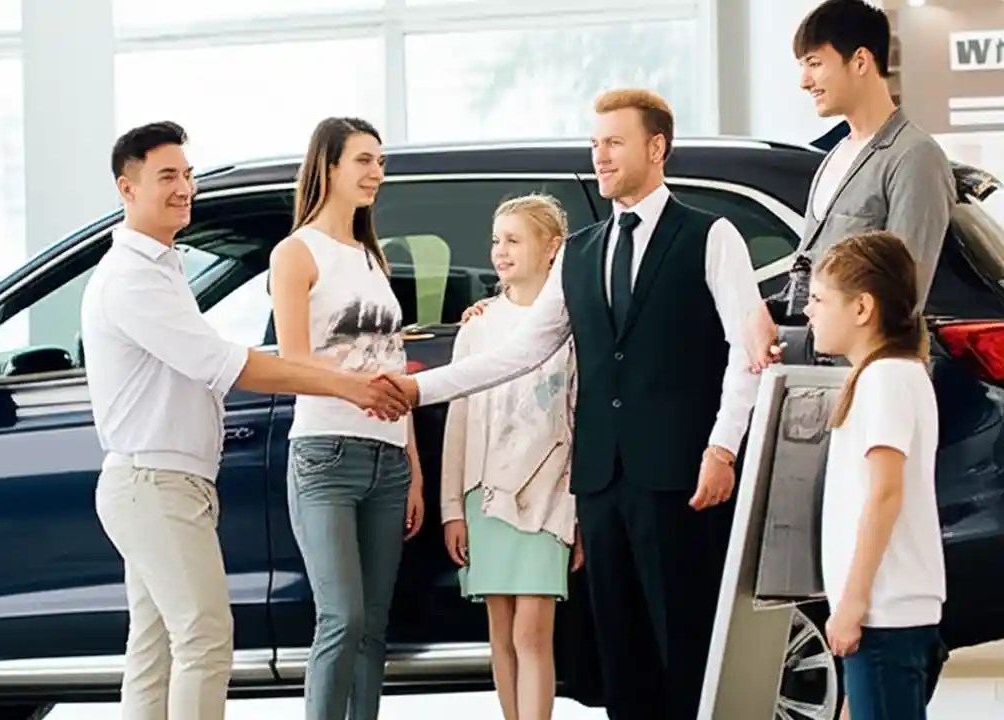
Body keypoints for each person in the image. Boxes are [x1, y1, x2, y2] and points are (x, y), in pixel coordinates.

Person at [383, 89, 766, 719]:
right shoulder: (581, 251)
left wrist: (722, 446)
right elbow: (524, 350)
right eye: (596, 143)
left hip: (680, 477)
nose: (601, 155)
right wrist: (419, 389)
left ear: (656, 147)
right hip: (601, 482)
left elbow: (745, 348)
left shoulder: (710, 235)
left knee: (688, 643)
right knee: (619, 654)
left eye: (614, 142)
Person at [80, 121, 410, 720]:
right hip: (154, 483)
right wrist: (347, 384)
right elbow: (224, 363)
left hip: (166, 482)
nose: (185, 187)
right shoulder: (131, 277)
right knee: (205, 639)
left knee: (153, 651)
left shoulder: (162, 268)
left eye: (187, 174)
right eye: (166, 177)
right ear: (127, 189)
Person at [267, 116, 424, 720]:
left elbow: (393, 359)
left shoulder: (369, 255)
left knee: (376, 625)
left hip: (386, 459)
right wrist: (359, 391)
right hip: (326, 453)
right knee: (343, 616)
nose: (376, 173)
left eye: (380, 162)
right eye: (363, 160)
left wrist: (409, 460)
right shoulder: (296, 252)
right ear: (328, 165)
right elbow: (294, 364)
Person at [745, 0, 956, 369]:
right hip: (814, 376)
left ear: (860, 61)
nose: (804, 81)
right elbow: (807, 273)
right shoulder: (834, 157)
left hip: (868, 378)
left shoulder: (914, 156)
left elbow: (902, 297)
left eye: (814, 64)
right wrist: (766, 311)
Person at [439, 193, 582, 720]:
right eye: (496, 240)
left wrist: (579, 509)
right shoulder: (478, 327)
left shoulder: (571, 324)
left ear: (552, 248)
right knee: (500, 629)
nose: (500, 251)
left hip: (549, 498)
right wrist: (452, 508)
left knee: (532, 631)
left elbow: (578, 414)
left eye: (514, 240)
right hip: (486, 496)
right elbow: (459, 420)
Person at [803, 230, 947, 720]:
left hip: (883, 615)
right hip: (889, 614)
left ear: (862, 308)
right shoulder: (894, 374)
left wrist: (851, 605)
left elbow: (885, 493)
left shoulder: (885, 379)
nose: (808, 311)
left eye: (819, 299)